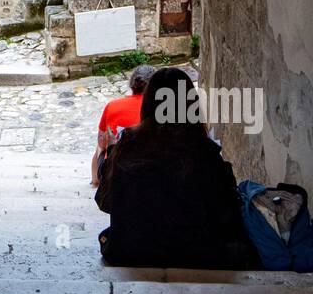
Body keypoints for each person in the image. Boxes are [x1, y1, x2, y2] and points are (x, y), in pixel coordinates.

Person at [94, 66, 257, 269]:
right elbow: (225, 209)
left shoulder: (128, 143)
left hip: (132, 252)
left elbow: (105, 201)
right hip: (196, 255)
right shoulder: (204, 150)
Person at [89, 64, 155, 186]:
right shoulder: (162, 110)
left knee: (100, 146)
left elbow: (102, 143)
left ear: (132, 84)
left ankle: (96, 181)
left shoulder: (112, 106)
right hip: (151, 171)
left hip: (116, 172)